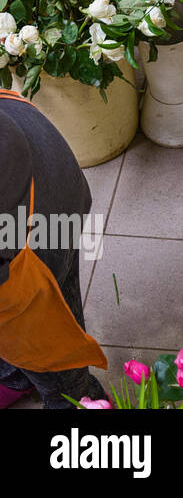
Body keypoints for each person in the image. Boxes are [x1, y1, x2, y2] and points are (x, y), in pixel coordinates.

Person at [0, 87, 108, 409]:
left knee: (48, 340)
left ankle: (77, 401)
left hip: (38, 225)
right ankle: (15, 377)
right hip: (27, 160)